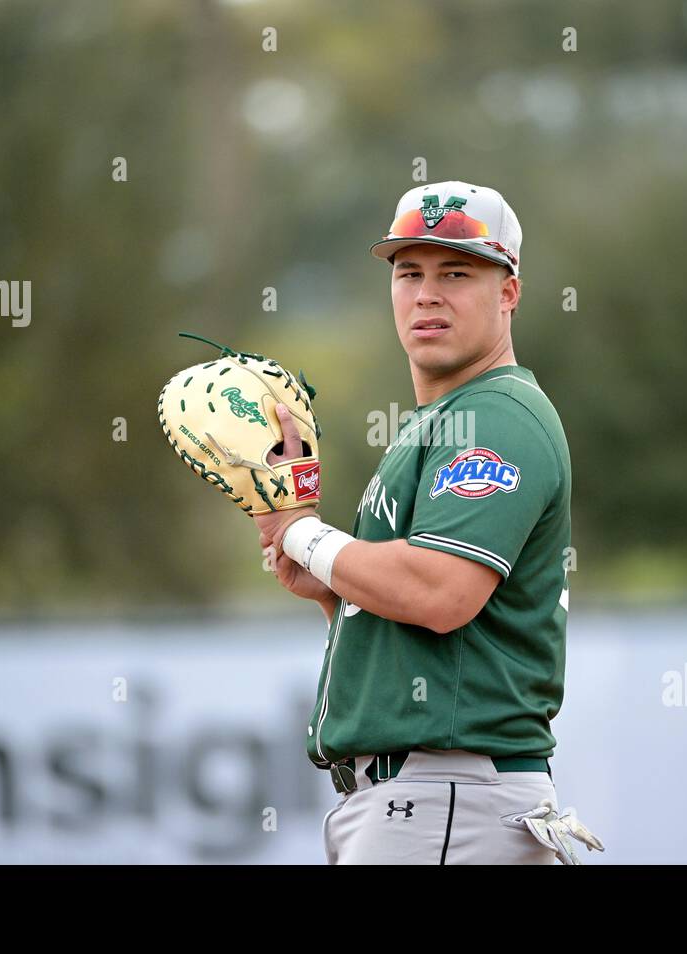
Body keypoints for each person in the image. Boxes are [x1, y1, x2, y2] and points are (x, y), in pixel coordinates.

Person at [253, 181, 586, 864]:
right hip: (437, 800)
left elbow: (439, 594)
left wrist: (300, 531)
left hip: (445, 798)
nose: (427, 293)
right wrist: (333, 590)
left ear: (509, 293)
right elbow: (424, 631)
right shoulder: (443, 420)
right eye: (410, 273)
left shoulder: (497, 415)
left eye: (457, 273)